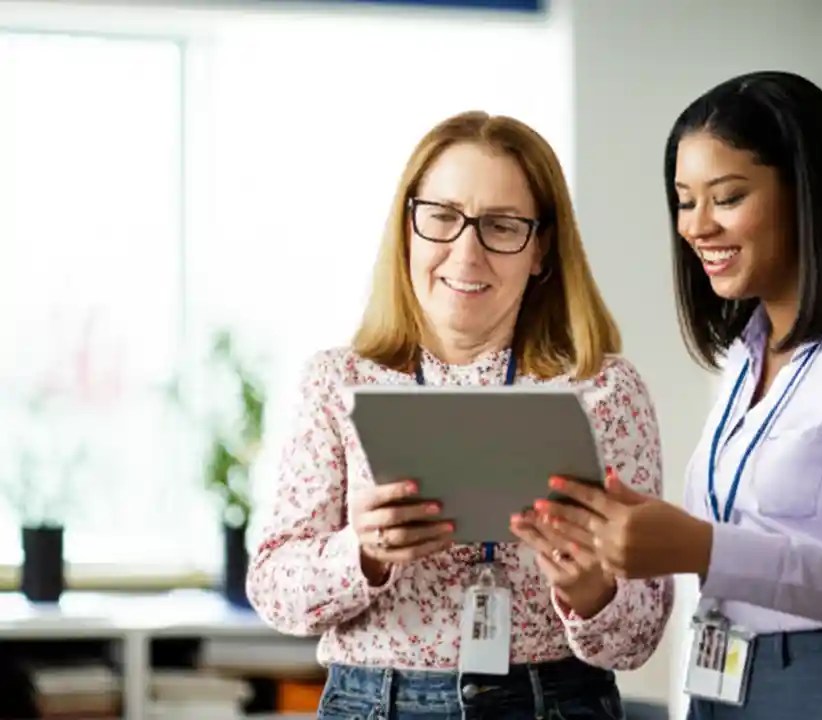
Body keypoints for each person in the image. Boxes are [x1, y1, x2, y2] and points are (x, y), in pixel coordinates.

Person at [534, 70, 822, 719]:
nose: (696, 226)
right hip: (729, 681)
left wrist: (700, 547)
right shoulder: (750, 354)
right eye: (684, 201)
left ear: (807, 194)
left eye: (727, 196)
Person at [247, 111, 673, 720]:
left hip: (553, 702)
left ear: (540, 249)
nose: (466, 252)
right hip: (375, 703)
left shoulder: (605, 390)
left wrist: (590, 590)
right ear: (408, 229)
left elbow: (639, 637)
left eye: (501, 226)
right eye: (442, 218)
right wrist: (362, 553)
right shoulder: (338, 381)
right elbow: (274, 593)